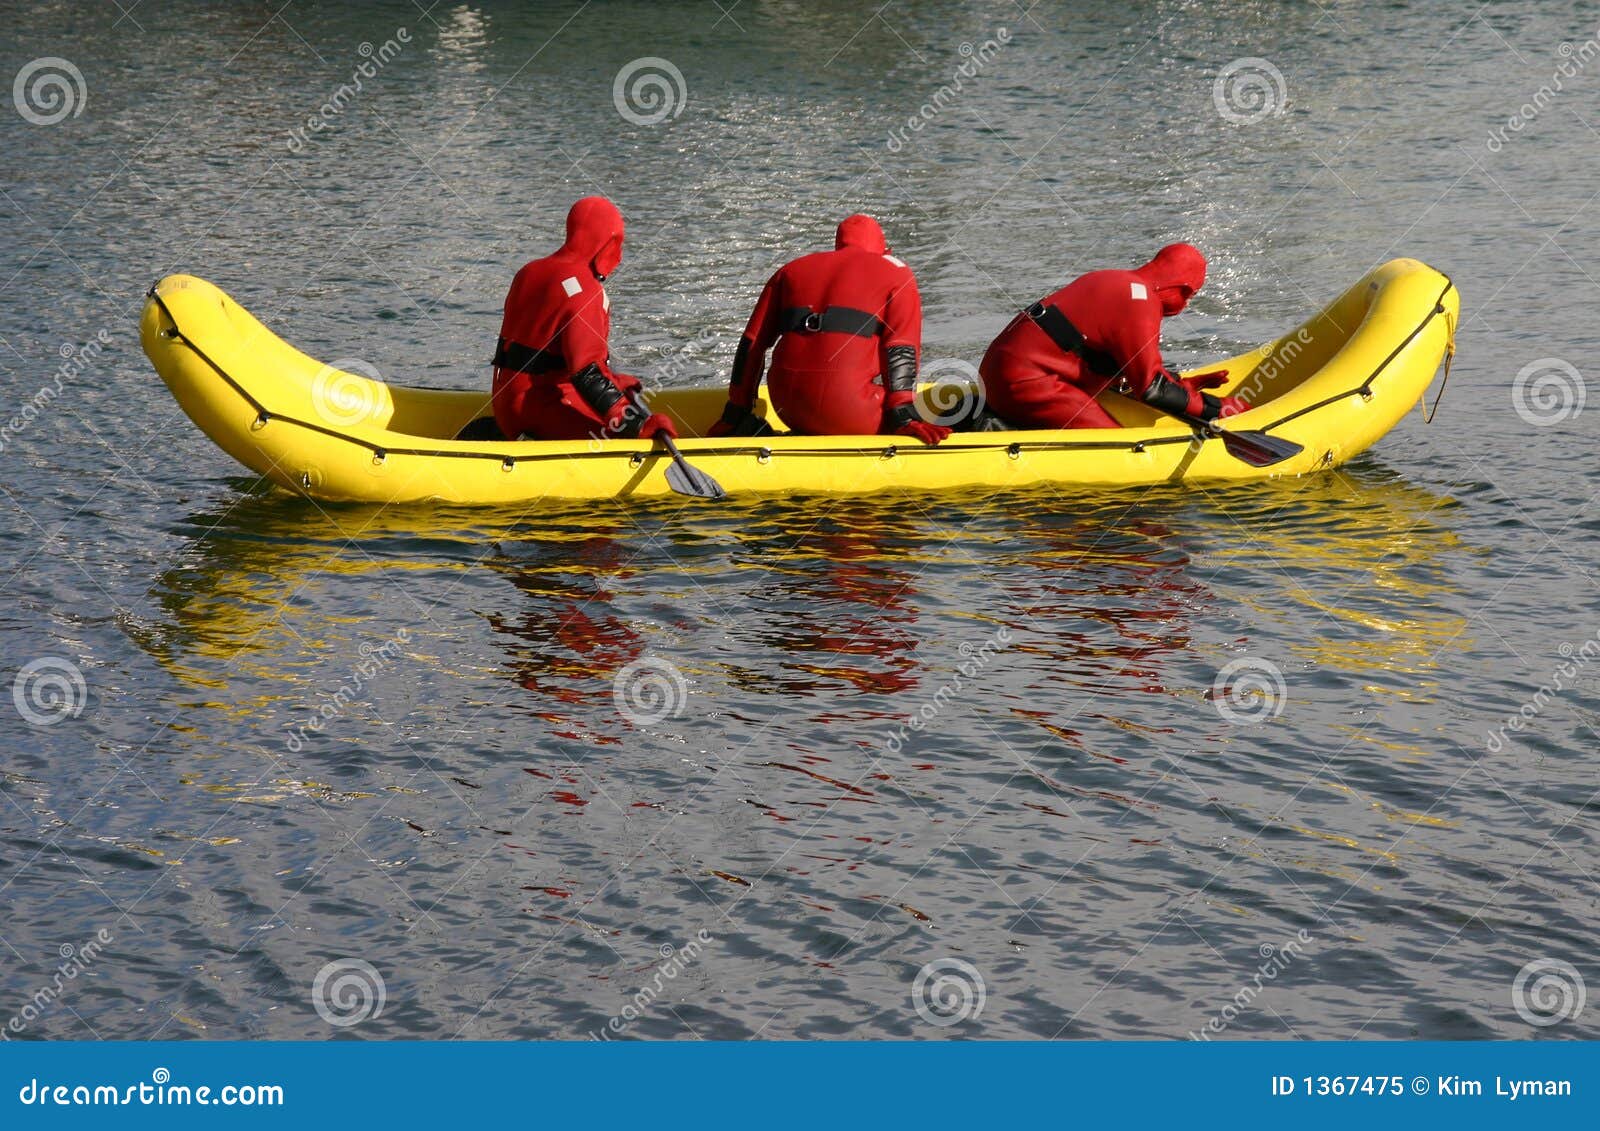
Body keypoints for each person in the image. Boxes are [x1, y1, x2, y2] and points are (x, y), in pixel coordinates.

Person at [710, 214, 949, 445]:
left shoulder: (790, 269)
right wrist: (903, 413)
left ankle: (750, 427)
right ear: (884, 249)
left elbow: (751, 343)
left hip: (787, 407)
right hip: (851, 412)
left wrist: (735, 412)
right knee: (881, 409)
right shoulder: (897, 272)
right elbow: (901, 348)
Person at [977, 243, 1248, 430]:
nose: (1184, 305)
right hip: (1026, 383)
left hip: (997, 375)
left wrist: (1182, 385)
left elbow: (1115, 366)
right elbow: (1152, 390)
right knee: (1116, 441)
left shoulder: (1114, 280)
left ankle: (1001, 421)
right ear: (1183, 286)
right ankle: (995, 430)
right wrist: (1216, 408)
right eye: (1188, 296)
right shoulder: (1141, 302)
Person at [491, 196, 675, 442]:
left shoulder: (528, 271)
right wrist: (635, 426)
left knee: (612, 393)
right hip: (539, 411)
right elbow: (587, 373)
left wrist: (615, 382)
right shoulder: (585, 290)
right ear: (610, 243)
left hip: (505, 405)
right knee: (619, 436)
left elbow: (548, 356)